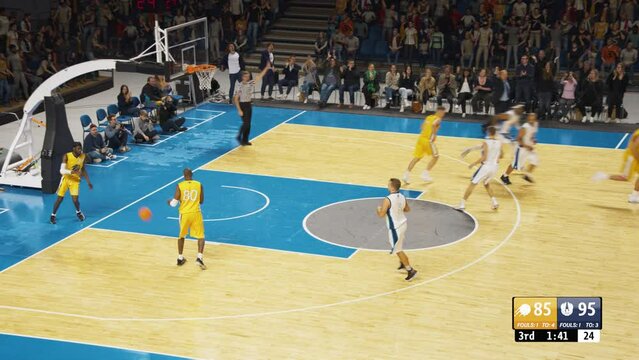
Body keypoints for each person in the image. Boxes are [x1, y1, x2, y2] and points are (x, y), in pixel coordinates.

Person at [375, 178, 417, 281]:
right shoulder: (402, 196)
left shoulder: (387, 199)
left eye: (388, 185)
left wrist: (378, 210)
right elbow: (407, 209)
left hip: (395, 228)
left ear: (392, 187)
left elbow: (381, 215)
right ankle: (402, 263)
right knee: (399, 246)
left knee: (397, 249)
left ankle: (410, 269)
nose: (387, 186)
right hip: (403, 224)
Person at [168, 168, 207, 269]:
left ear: (183, 175)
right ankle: (199, 258)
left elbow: (173, 204)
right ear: (192, 174)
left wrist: (169, 202)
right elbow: (201, 201)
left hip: (184, 214)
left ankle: (180, 258)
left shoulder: (180, 185)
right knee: (201, 236)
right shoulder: (199, 184)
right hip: (196, 213)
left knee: (181, 236)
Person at [457, 126, 502, 211]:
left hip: (486, 167)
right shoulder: (499, 143)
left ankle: (462, 204)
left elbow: (484, 158)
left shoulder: (486, 142)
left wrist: (473, 164)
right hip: (495, 167)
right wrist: (469, 149)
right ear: (495, 133)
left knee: (472, 184)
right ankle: (494, 202)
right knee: (486, 183)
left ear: (488, 133)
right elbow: (501, 156)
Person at [50, 142, 93, 224]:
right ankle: (53, 215)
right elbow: (61, 171)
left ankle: (78, 212)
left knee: (75, 199)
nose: (80, 150)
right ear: (73, 149)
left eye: (81, 148)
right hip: (65, 179)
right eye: (78, 149)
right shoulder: (66, 156)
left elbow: (83, 169)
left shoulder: (83, 156)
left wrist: (88, 181)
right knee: (59, 199)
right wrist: (72, 172)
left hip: (75, 181)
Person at [403, 106, 446, 183]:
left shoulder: (429, 117)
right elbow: (433, 124)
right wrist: (434, 135)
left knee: (416, 158)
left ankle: (406, 175)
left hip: (421, 139)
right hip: (428, 141)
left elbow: (422, 126)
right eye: (443, 113)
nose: (443, 114)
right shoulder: (438, 119)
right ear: (439, 112)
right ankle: (425, 174)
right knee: (436, 157)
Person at [234, 65, 271, 146]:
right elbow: (236, 99)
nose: (248, 77)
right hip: (242, 105)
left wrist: (266, 68)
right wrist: (239, 110)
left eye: (248, 76)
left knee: (248, 124)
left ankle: (245, 140)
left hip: (248, 104)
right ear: (243, 77)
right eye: (246, 76)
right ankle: (239, 136)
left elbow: (259, 76)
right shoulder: (239, 86)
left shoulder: (250, 83)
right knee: (246, 123)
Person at [501, 113, 539, 185]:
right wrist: (527, 146)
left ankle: (526, 175)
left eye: (533, 119)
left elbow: (532, 135)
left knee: (535, 162)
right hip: (521, 148)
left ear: (535, 119)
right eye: (530, 119)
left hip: (529, 147)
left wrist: (533, 139)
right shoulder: (524, 127)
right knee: (515, 164)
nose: (531, 120)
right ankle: (504, 176)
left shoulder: (535, 125)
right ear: (528, 119)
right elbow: (518, 139)